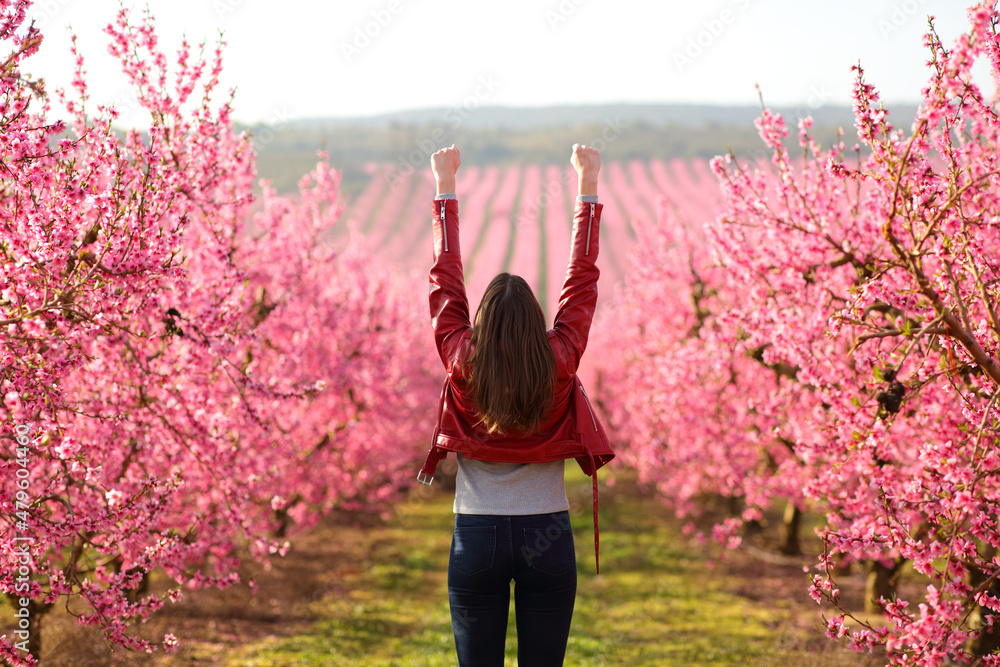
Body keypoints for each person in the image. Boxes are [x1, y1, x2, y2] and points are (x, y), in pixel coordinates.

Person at [420, 143, 614, 667]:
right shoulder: (559, 359)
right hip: (546, 533)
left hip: (476, 534)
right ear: (535, 321)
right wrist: (587, 183)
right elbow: (582, 278)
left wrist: (445, 185)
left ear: (479, 322)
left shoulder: (461, 357)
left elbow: (444, 277)